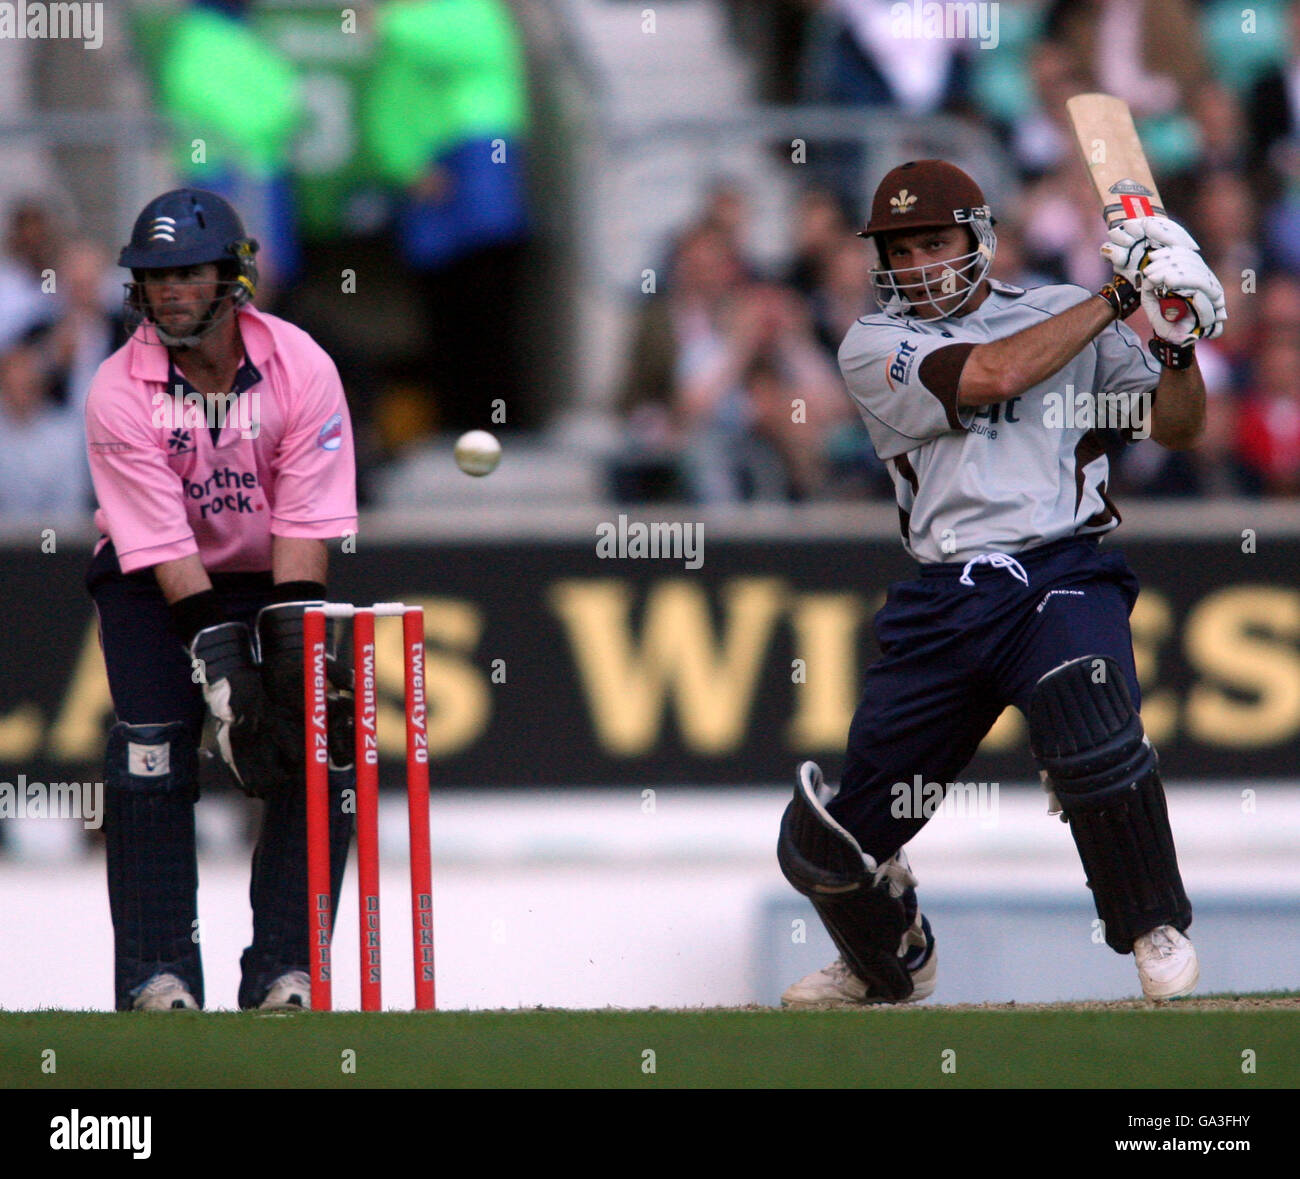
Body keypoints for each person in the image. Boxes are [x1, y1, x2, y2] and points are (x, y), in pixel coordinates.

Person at [776, 160, 1226, 1006]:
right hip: (945, 595)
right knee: (831, 846)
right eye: (901, 248)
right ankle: (892, 951)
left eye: (935, 241)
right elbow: (991, 376)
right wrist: (1121, 298)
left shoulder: (1062, 308)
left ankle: (1150, 922)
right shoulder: (874, 342)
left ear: (978, 239)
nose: (919, 263)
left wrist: (1173, 341)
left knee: (1087, 716)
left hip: (1063, 566)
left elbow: (1179, 427)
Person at [83, 188, 357, 1011]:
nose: (170, 293)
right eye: (156, 278)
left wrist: (282, 665)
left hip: (271, 571)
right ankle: (156, 975)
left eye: (189, 275)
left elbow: (306, 526)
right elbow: (162, 542)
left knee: (314, 743)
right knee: (153, 753)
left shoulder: (302, 366)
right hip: (149, 578)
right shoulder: (116, 390)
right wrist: (220, 663)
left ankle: (286, 967)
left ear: (232, 279)